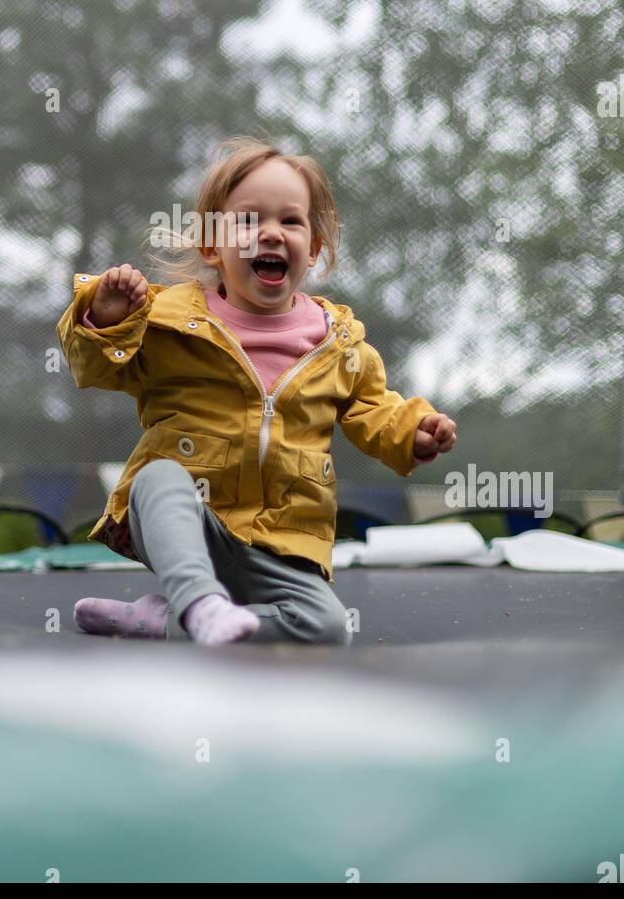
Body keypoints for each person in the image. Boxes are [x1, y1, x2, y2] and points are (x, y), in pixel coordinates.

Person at [57, 136, 456, 647]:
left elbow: (374, 408)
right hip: (191, 527)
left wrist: (413, 432)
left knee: (329, 627)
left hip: (282, 543)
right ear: (211, 247)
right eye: (247, 221)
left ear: (313, 247)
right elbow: (95, 368)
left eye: (290, 221)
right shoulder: (170, 321)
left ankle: (161, 621)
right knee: (157, 478)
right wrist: (106, 318)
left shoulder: (337, 342)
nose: (270, 233)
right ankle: (199, 602)